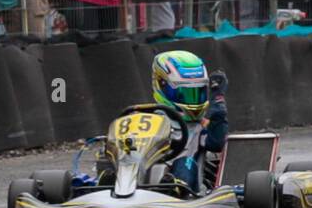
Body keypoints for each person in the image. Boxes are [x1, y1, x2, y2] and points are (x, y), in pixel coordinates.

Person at [94, 51, 229, 193]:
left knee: (184, 163)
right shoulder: (143, 119)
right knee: (122, 157)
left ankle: (176, 187)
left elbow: (217, 142)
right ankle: (112, 183)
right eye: (184, 94)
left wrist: (218, 104)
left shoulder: (200, 126)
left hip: (182, 186)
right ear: (162, 85)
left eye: (197, 93)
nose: (192, 100)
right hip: (142, 174)